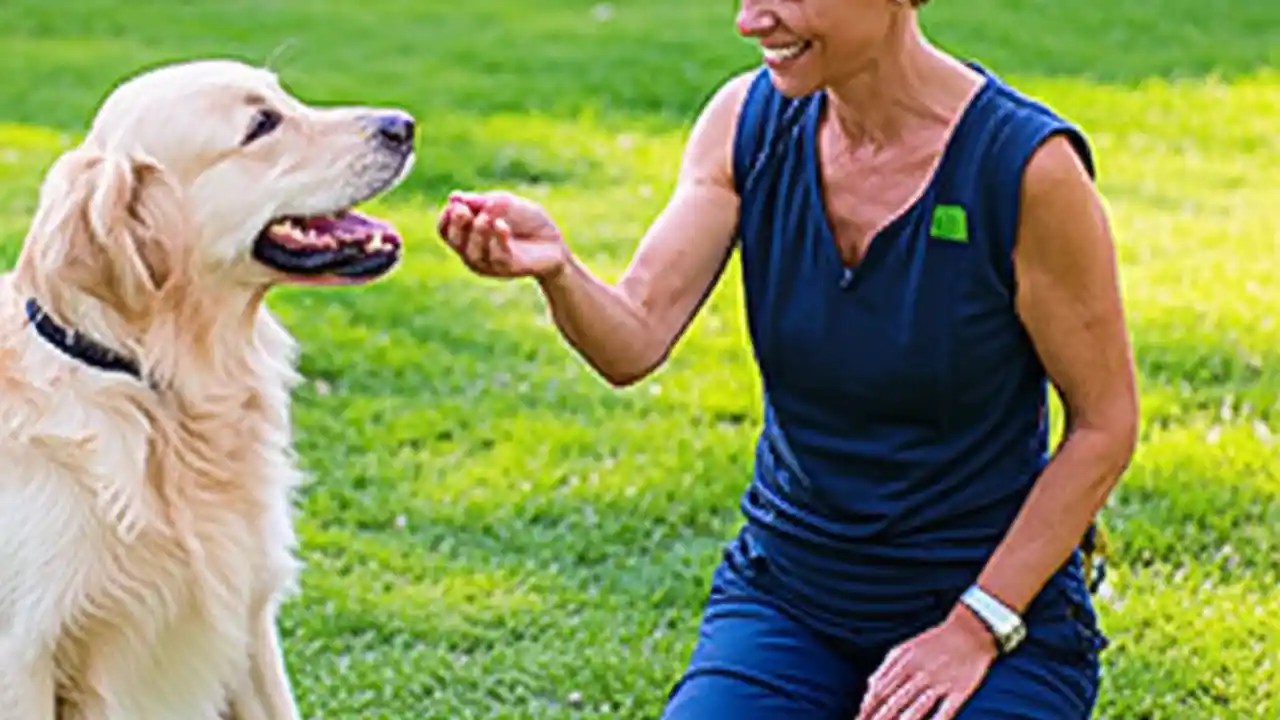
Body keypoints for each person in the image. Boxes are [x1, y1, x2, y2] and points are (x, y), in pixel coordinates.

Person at [435, 0, 1139, 717]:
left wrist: (974, 627)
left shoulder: (1023, 169)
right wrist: (559, 270)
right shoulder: (748, 123)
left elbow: (1104, 424)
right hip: (791, 601)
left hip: (982, 605)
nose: (750, 19)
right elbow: (635, 336)